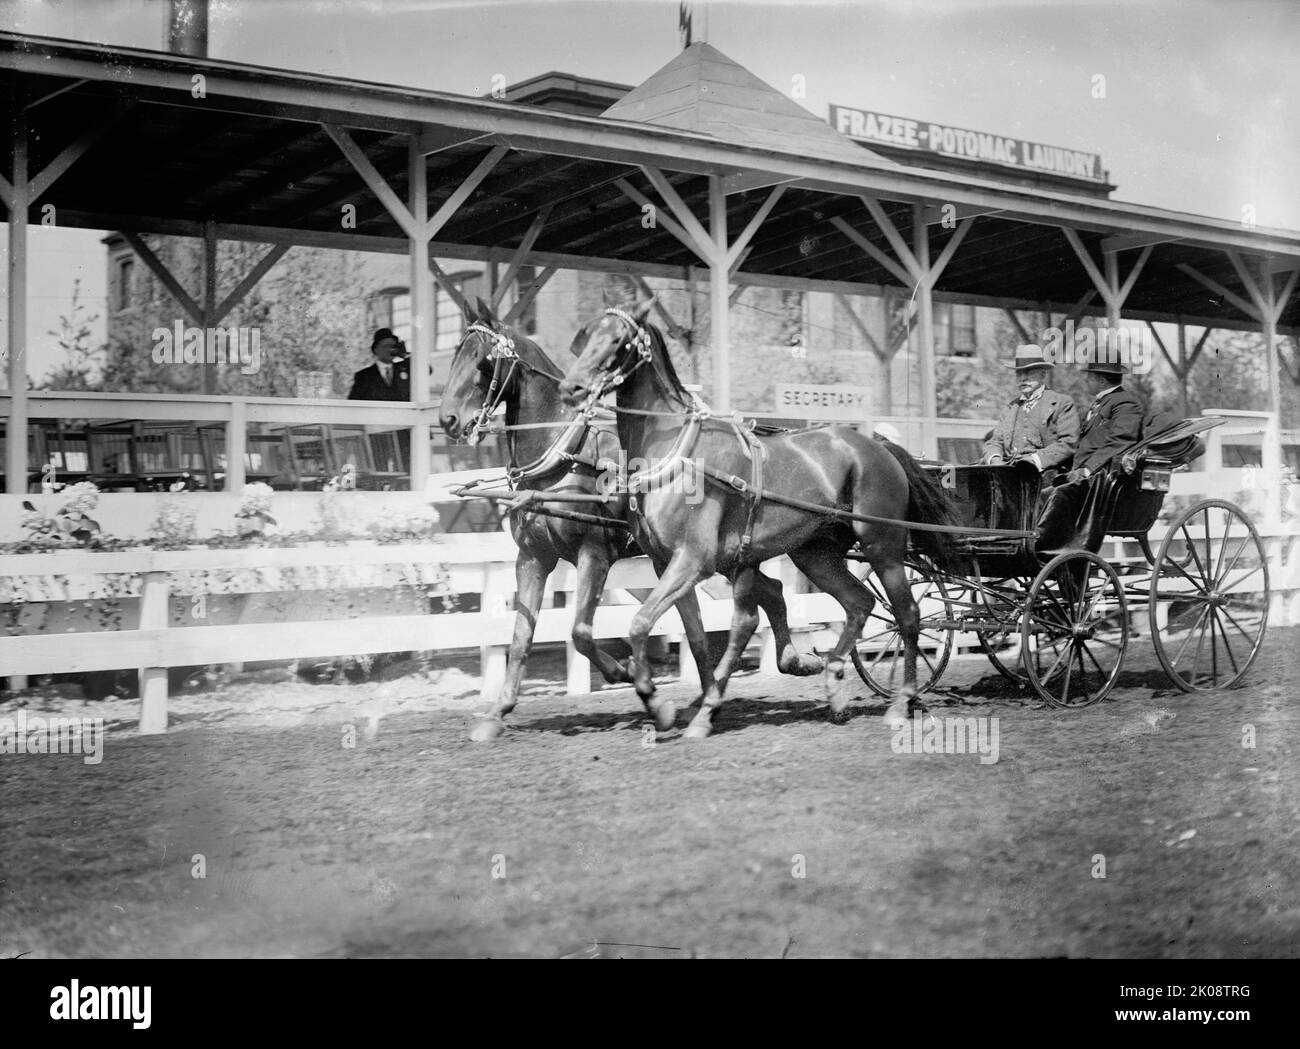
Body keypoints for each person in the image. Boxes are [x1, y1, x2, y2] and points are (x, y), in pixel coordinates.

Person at [1035, 358, 1145, 556]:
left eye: (1088, 376)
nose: (1085, 380)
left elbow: (1120, 440)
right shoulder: (1101, 403)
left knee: (1055, 494)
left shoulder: (1126, 403)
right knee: (1036, 485)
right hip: (1082, 475)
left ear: (1101, 380)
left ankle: (1043, 545)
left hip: (1098, 478)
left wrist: (1087, 469)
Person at [981, 344, 1079, 476]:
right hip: (1009, 473)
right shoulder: (1011, 408)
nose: (1023, 378)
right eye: (1019, 373)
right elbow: (996, 441)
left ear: (1043, 374)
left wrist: (1034, 461)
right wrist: (996, 460)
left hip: (1045, 473)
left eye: (1029, 372)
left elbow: (1068, 443)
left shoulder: (1061, 403)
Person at [348, 328, 410, 402]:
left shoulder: (404, 369)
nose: (390, 349)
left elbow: (420, 366)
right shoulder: (364, 376)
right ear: (376, 350)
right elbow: (354, 403)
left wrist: (404, 354)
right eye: (386, 346)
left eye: (393, 346)